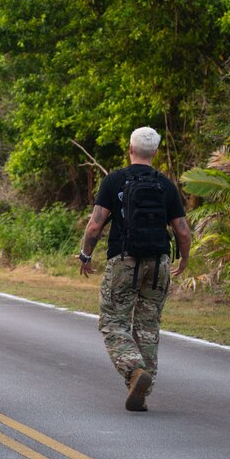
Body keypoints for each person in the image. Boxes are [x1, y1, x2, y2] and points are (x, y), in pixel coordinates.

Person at [77, 126, 190, 412]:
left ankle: (134, 369)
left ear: (130, 148)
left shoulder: (115, 180)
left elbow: (95, 225)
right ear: (155, 152)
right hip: (159, 262)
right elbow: (183, 231)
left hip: (124, 261)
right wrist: (184, 259)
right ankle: (143, 386)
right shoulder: (166, 184)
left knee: (113, 322)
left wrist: (85, 254)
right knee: (148, 325)